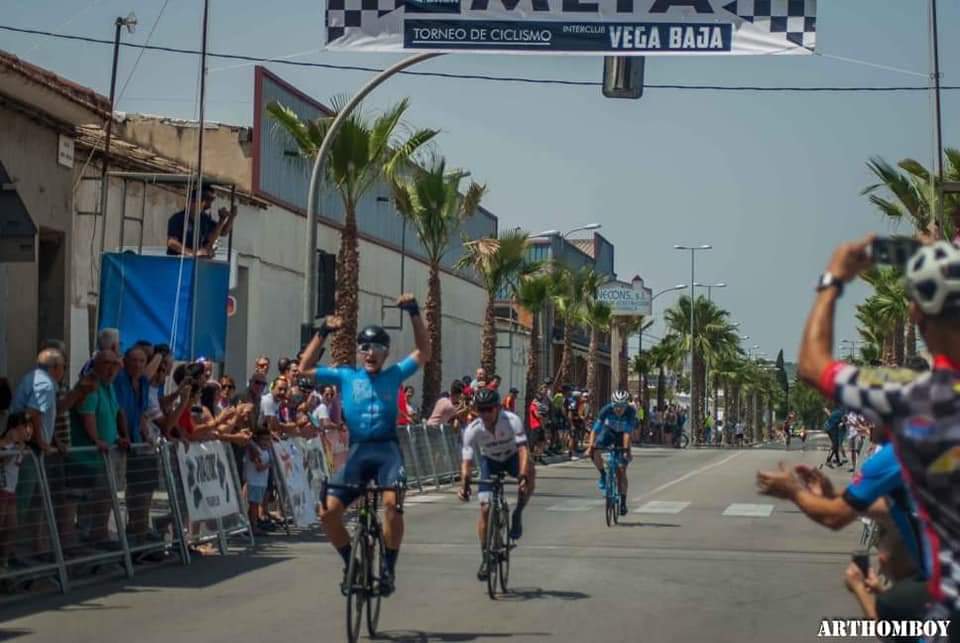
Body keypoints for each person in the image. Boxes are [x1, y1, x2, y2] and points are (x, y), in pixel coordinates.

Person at [794, 236, 960, 638]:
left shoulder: (915, 400)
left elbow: (814, 366)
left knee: (892, 609)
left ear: (918, 316)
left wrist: (833, 278)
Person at [298, 293, 430, 597]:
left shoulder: (395, 374)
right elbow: (303, 369)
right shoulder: (346, 376)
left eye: (378, 348)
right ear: (359, 352)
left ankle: (388, 568)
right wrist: (323, 332)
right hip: (358, 453)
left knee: (391, 505)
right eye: (365, 348)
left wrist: (413, 311)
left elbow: (424, 351)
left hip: (387, 452)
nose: (371, 353)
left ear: (386, 354)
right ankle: (351, 563)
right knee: (328, 512)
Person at [457, 388, 534, 581]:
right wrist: (464, 484)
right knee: (484, 509)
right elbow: (466, 462)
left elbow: (524, 450)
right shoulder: (473, 429)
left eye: (488, 409)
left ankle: (518, 512)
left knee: (530, 472)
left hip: (512, 457)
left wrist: (523, 476)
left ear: (497, 408)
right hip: (489, 461)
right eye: (480, 409)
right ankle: (486, 557)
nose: (485, 414)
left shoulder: (511, 421)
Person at [70, 350, 130, 543]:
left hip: (103, 457)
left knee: (105, 498)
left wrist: (120, 437)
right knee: (84, 504)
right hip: (85, 457)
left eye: (115, 364)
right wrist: (96, 439)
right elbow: (88, 416)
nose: (111, 368)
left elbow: (114, 414)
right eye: (106, 364)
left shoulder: (109, 387)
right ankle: (82, 541)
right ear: (96, 365)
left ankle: (100, 536)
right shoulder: (91, 385)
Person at [585, 390, 636, 516]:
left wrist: (625, 451)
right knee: (595, 450)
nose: (619, 409)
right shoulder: (606, 410)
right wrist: (590, 446)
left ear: (626, 405)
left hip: (622, 436)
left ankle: (623, 502)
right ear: (612, 404)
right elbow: (595, 430)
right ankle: (603, 474)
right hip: (609, 432)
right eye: (616, 406)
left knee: (621, 470)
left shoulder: (630, 412)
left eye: (622, 406)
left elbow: (627, 434)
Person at [166, 184, 236, 257]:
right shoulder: (177, 219)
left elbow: (222, 232)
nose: (208, 203)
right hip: (179, 263)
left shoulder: (204, 219)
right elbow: (172, 242)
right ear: (195, 201)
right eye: (207, 199)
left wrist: (228, 218)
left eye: (211, 200)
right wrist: (193, 253)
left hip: (199, 263)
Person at [0, 412, 31, 569]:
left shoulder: (23, 445)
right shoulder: (6, 442)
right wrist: (11, 443)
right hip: (2, 489)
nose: (27, 430)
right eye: (23, 427)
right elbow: (3, 459)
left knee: (12, 526)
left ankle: (3, 561)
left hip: (11, 490)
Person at [244, 428, 273, 535]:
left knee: (255, 505)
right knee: (254, 506)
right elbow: (259, 467)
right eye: (263, 440)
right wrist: (269, 465)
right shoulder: (254, 450)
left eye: (268, 439)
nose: (265, 442)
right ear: (258, 440)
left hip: (261, 483)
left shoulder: (266, 450)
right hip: (254, 482)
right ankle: (254, 527)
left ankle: (251, 525)